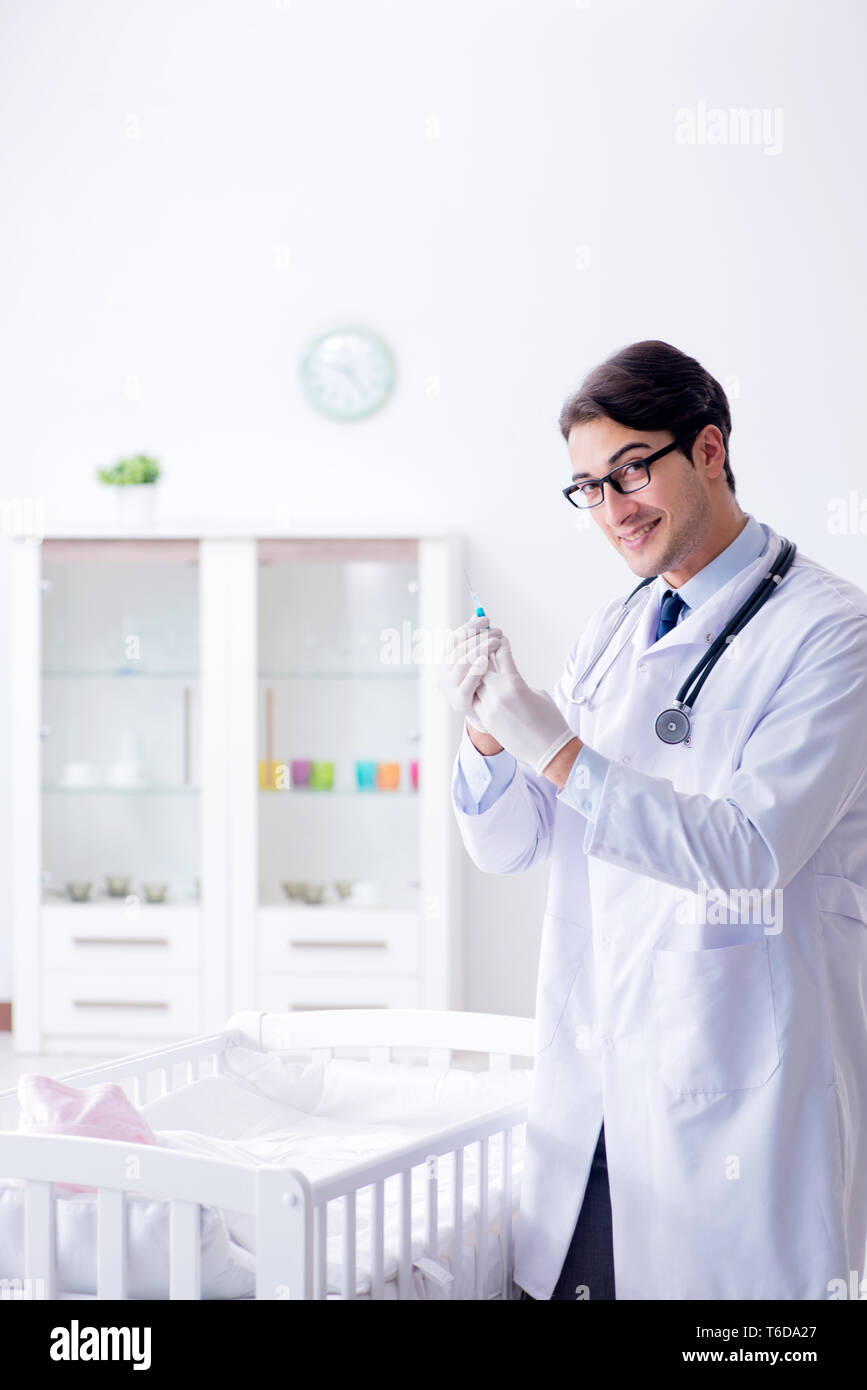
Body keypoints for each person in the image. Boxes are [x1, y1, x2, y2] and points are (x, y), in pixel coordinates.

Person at [437, 340, 867, 1301]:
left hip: (739, 1103)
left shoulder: (833, 633)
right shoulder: (616, 628)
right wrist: (488, 740)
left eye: (633, 468)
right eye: (588, 486)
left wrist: (555, 747)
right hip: (592, 1103)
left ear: (708, 450)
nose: (613, 507)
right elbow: (517, 847)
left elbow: (750, 851)